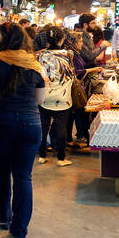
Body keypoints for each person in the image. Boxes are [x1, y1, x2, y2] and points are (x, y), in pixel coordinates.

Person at [0, 24, 48, 238]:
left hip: (3, 122)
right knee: (23, 176)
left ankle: (3, 217)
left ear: (6, 38)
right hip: (31, 123)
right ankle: (20, 229)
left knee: (1, 172)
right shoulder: (34, 64)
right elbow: (40, 100)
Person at [36, 26, 76, 167]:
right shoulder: (67, 54)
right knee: (61, 128)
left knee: (43, 127)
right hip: (63, 96)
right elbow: (71, 74)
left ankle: (41, 156)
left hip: (44, 95)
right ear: (62, 38)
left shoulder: (41, 55)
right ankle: (61, 158)